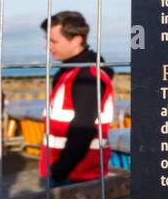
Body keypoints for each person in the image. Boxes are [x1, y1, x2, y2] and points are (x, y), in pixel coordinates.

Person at [39, 10, 115, 187]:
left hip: (76, 175)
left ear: (76, 40)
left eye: (53, 41)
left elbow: (84, 129)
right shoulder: (71, 72)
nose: (47, 46)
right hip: (72, 172)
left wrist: (59, 171)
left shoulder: (86, 75)